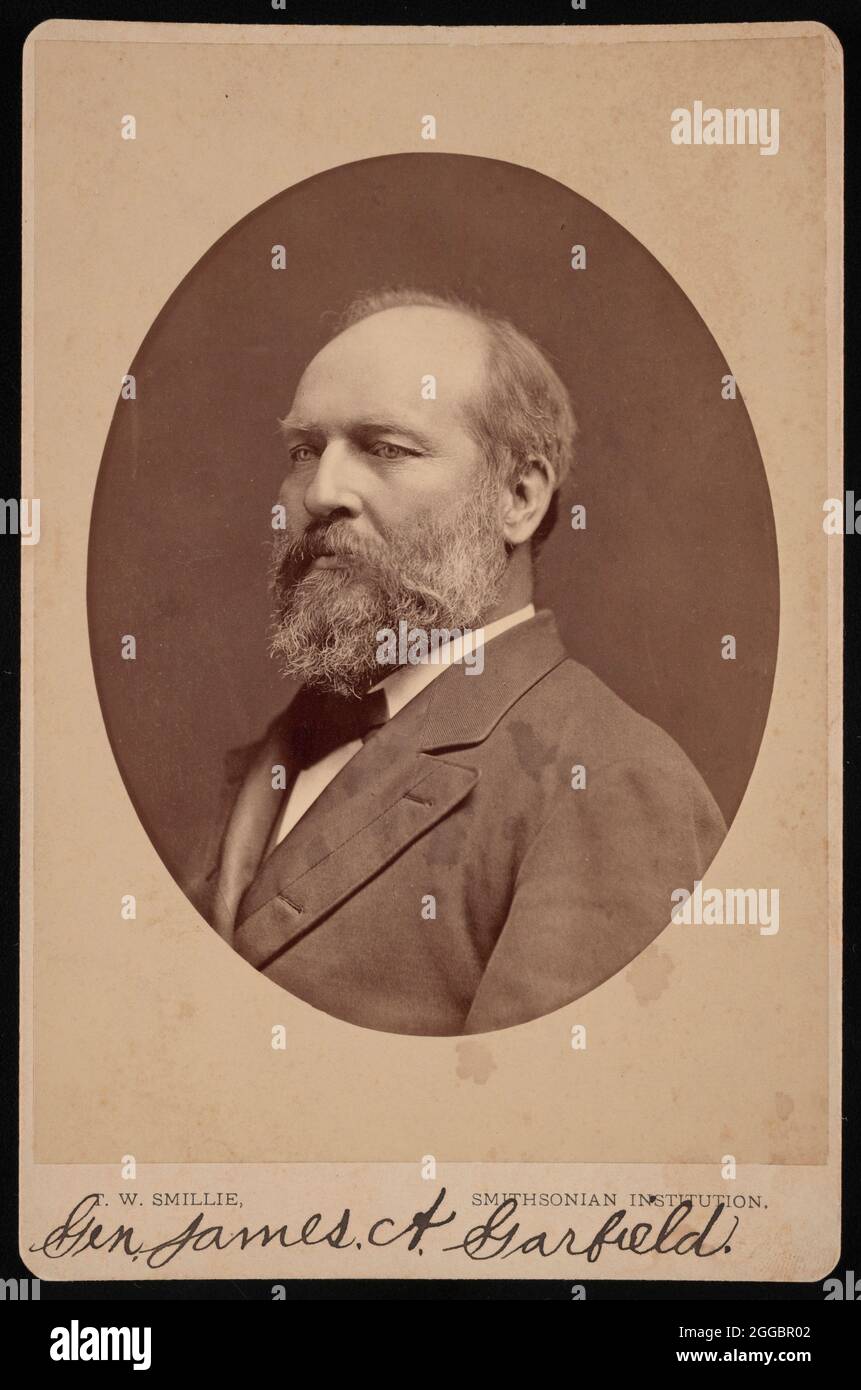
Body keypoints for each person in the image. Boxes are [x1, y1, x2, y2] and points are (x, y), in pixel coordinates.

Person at [194, 288, 726, 1035]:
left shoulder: (612, 780)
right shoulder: (282, 748)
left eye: (386, 448)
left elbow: (531, 1104)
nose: (320, 492)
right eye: (305, 451)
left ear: (518, 497)